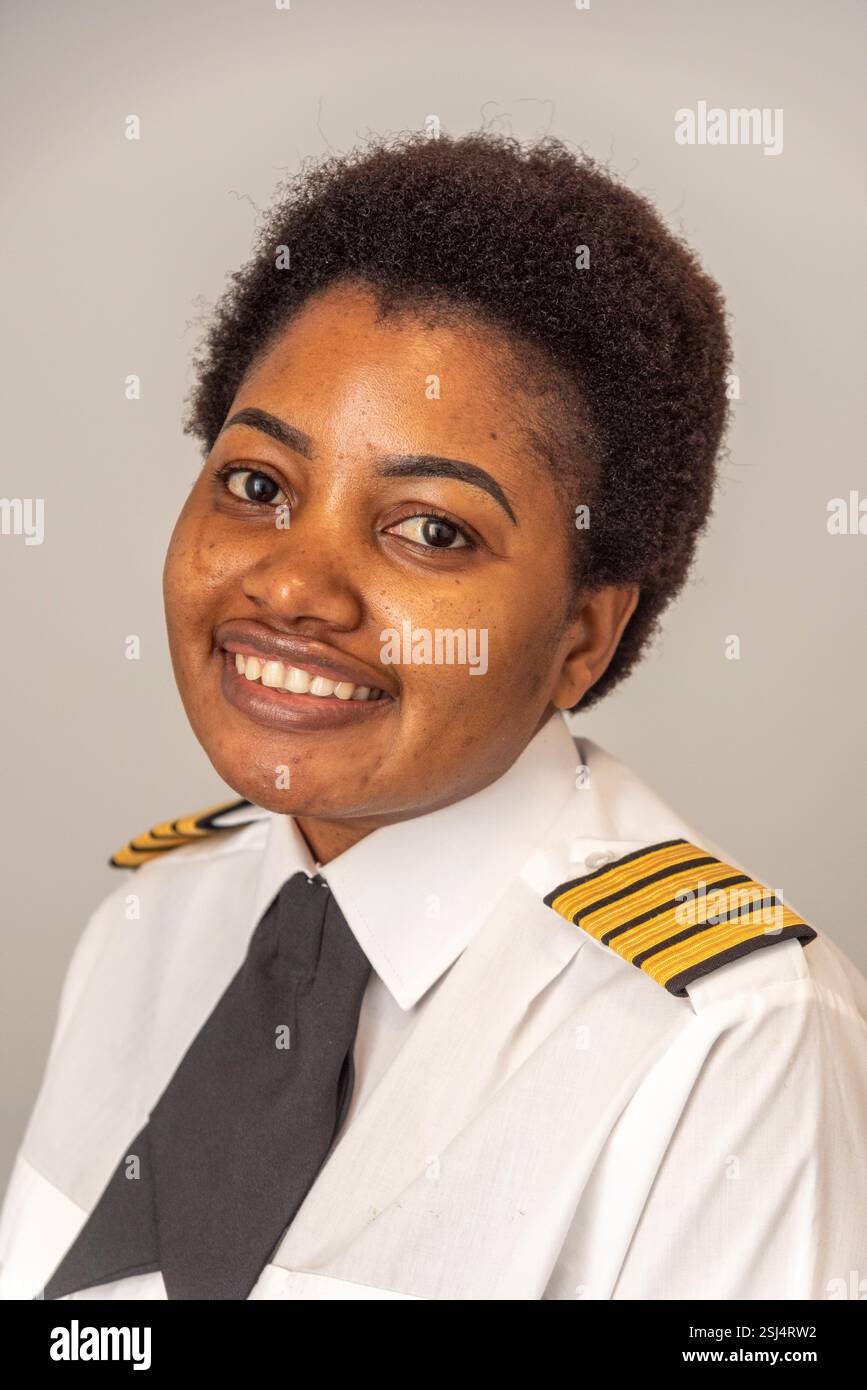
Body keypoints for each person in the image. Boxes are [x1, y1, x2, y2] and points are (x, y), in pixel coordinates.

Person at [2, 132, 865, 1301]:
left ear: (583, 635)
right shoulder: (150, 925)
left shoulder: (732, 1039)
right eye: (258, 486)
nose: (294, 587)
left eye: (433, 529)